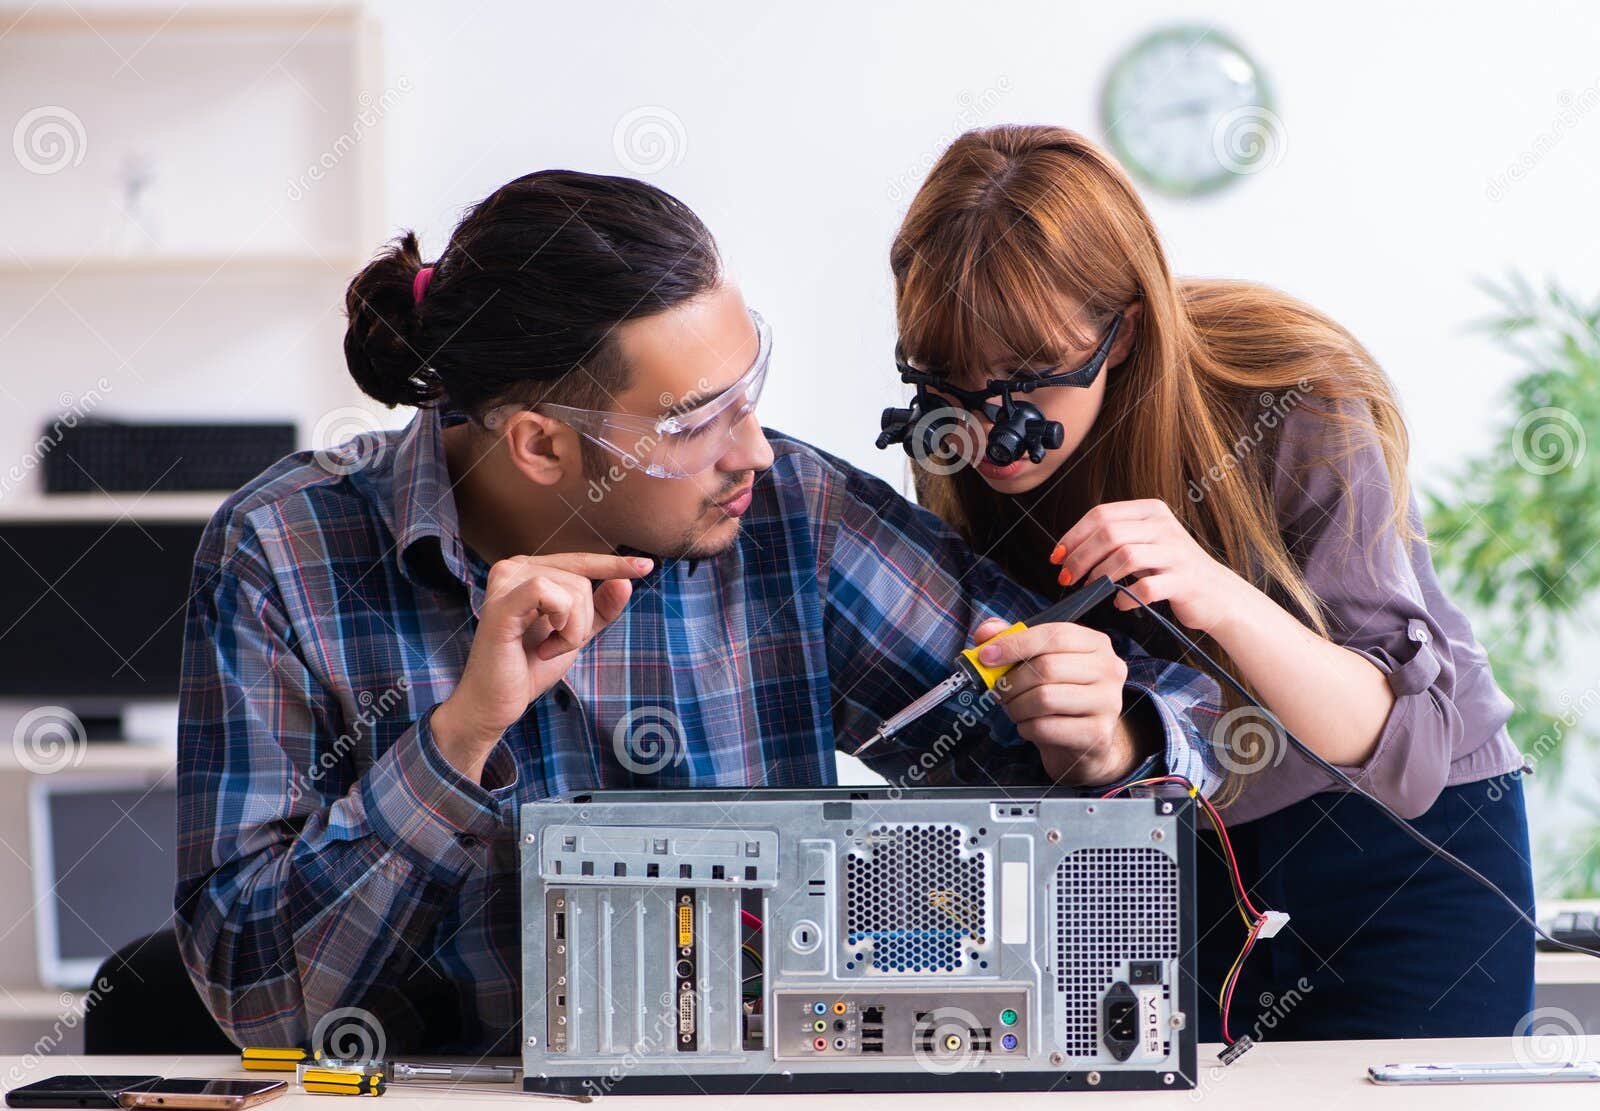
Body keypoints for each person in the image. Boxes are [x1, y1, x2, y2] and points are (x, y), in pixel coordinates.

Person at [175, 169, 1221, 1052]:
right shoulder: (284, 553)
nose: (751, 450)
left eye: (748, 388)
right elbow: (257, 1000)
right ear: (542, 444)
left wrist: (1104, 735)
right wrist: (458, 742)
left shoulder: (784, 517)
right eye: (692, 422)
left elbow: (1156, 741)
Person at [881, 124, 1533, 1041]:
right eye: (946, 378)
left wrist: (1214, 589)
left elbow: (1402, 751)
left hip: (1396, 841)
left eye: (1025, 381)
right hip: (1168, 845)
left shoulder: (1294, 390)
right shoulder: (954, 442)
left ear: (1124, 331)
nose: (985, 428)